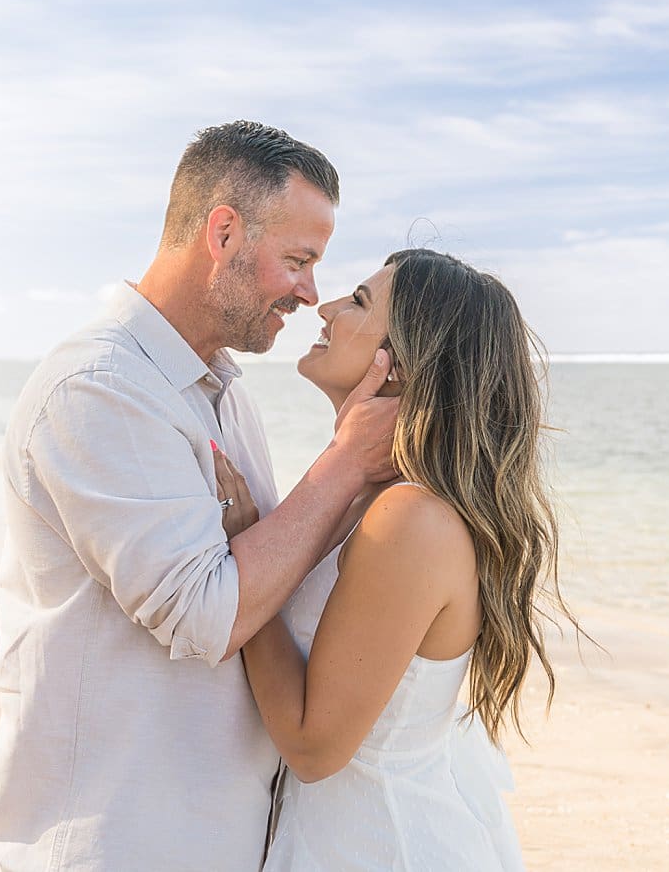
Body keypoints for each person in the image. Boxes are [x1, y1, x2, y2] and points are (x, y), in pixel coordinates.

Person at [0, 121, 400, 871]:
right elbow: (209, 617)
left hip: (206, 836)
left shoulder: (224, 392)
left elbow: (273, 577)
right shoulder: (101, 389)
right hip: (116, 838)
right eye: (298, 260)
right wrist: (346, 461)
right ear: (225, 233)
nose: (310, 292)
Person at [214, 249, 577, 870]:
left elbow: (312, 744)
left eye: (357, 301)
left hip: (383, 845)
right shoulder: (367, 495)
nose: (323, 307)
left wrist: (248, 552)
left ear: (405, 362)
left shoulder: (409, 518)